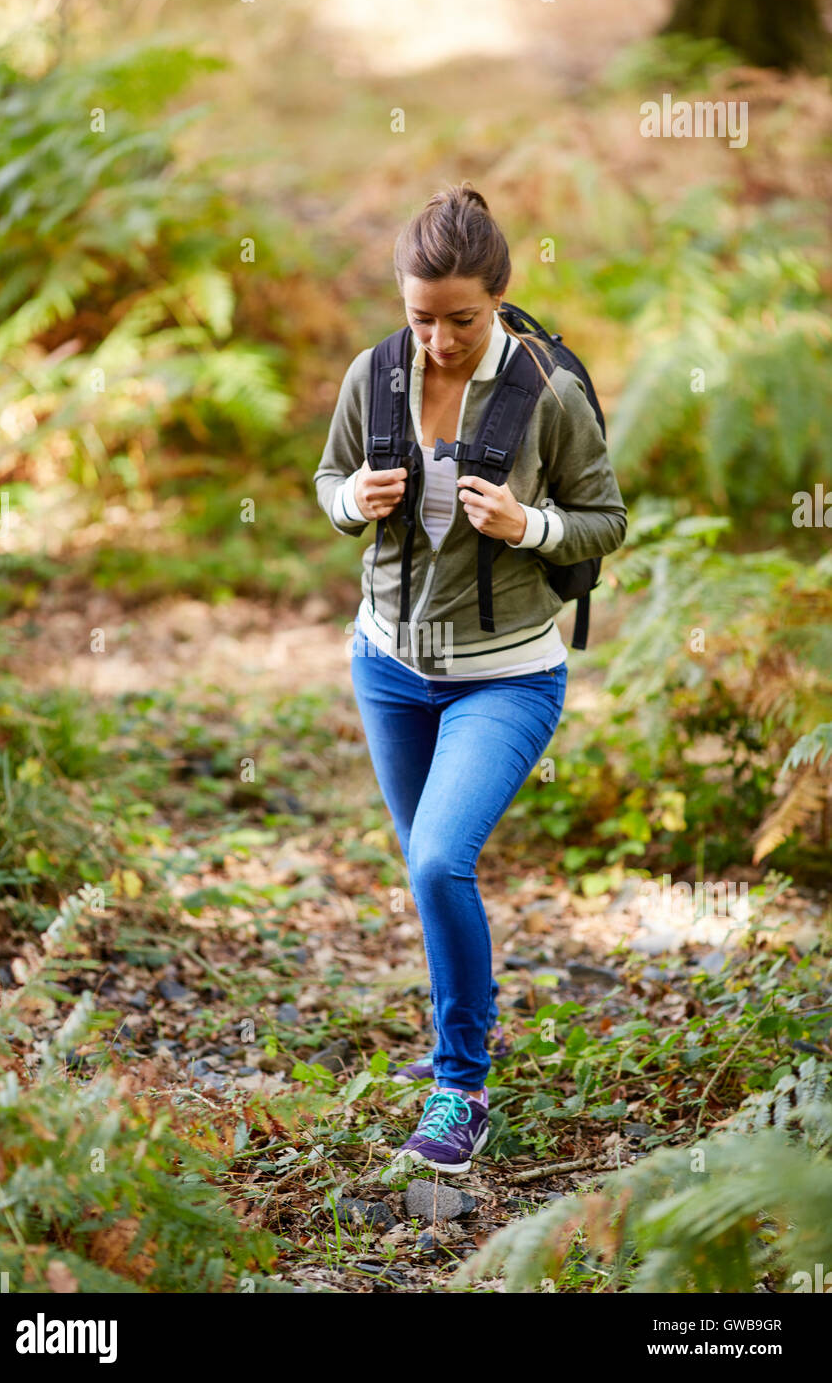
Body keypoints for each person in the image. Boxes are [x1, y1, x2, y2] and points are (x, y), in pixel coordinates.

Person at [313, 182, 627, 1174]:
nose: (439, 341)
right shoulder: (374, 374)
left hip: (506, 678)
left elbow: (604, 518)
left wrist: (526, 525)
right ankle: (457, 1049)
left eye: (462, 319)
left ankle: (459, 1087)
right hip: (386, 667)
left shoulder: (549, 393)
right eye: (421, 318)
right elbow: (325, 485)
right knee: (429, 870)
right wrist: (350, 500)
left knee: (438, 858)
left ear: (497, 297)